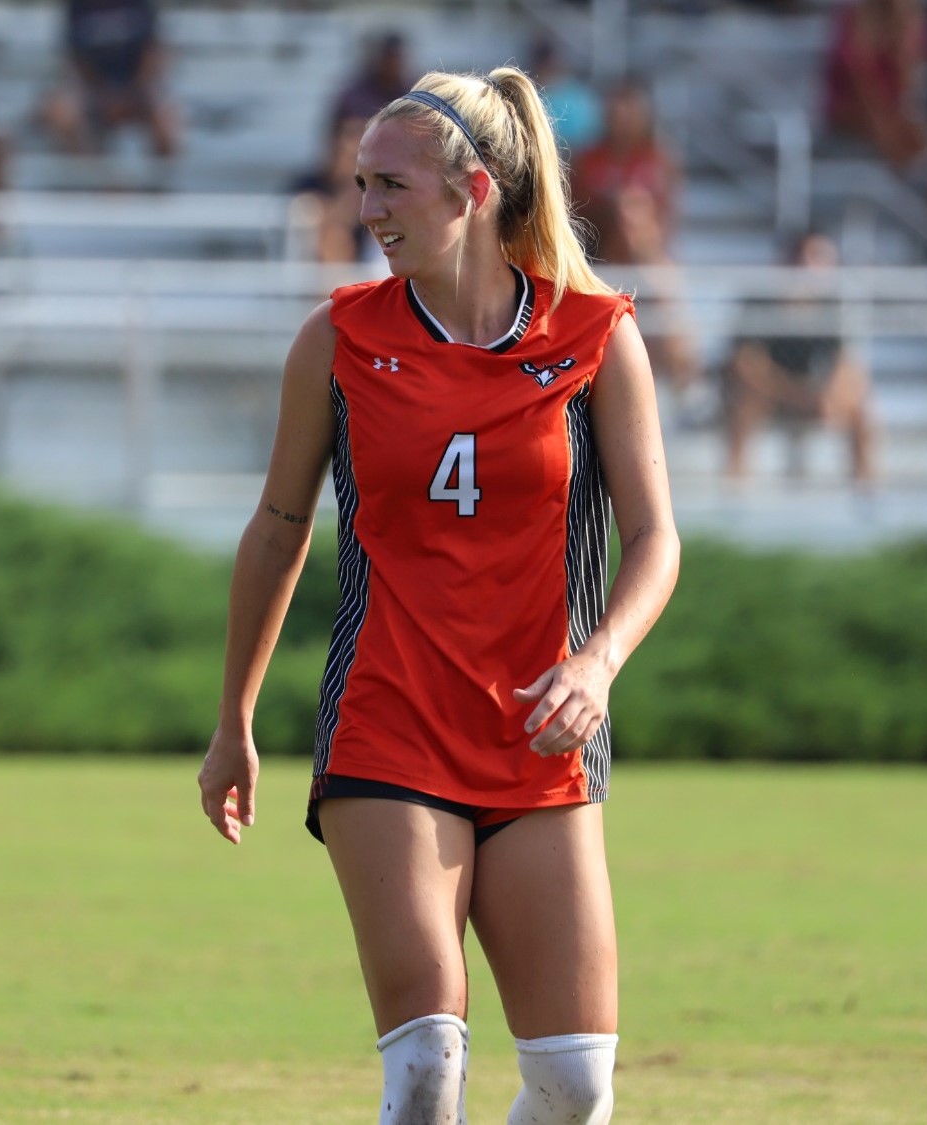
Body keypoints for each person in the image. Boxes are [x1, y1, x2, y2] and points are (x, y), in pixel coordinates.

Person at [196, 67, 681, 1125]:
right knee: (425, 1072)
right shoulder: (336, 338)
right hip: (388, 727)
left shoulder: (597, 336)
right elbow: (277, 530)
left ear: (474, 190)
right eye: (360, 184)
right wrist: (234, 720)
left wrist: (597, 664)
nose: (366, 209)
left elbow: (654, 539)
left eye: (390, 186)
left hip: (539, 740)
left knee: (575, 1087)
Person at [723, 232, 877, 485]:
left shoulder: (831, 307)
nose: (808, 267)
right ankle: (735, 491)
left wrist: (830, 396)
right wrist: (797, 396)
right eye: (804, 257)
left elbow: (844, 363)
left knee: (859, 406)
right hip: (767, 395)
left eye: (819, 259)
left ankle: (865, 492)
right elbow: (745, 365)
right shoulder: (760, 302)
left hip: (810, 394)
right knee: (745, 406)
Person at [572, 77, 696, 386]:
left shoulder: (659, 160)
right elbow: (574, 214)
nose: (621, 121)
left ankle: (677, 370)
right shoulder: (586, 160)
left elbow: (667, 218)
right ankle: (682, 370)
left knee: (635, 211)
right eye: (616, 113)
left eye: (628, 113)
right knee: (630, 208)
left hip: (646, 253)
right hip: (600, 253)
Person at [38, 0, 179, 158]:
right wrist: (104, 96)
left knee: (166, 122)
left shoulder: (140, 4)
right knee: (62, 115)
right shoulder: (78, 6)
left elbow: (153, 53)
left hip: (137, 88)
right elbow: (76, 58)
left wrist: (129, 95)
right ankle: (87, 168)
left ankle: (164, 172)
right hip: (92, 88)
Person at [824, 0, 927, 170]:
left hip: (891, 111)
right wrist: (884, 121)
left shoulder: (912, 20)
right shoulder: (853, 17)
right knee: (888, 130)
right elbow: (859, 78)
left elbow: (908, 80)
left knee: (917, 135)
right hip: (853, 109)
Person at [288, 113, 374, 265]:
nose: (353, 166)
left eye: (358, 157)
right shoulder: (308, 186)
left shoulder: (378, 192)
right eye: (348, 156)